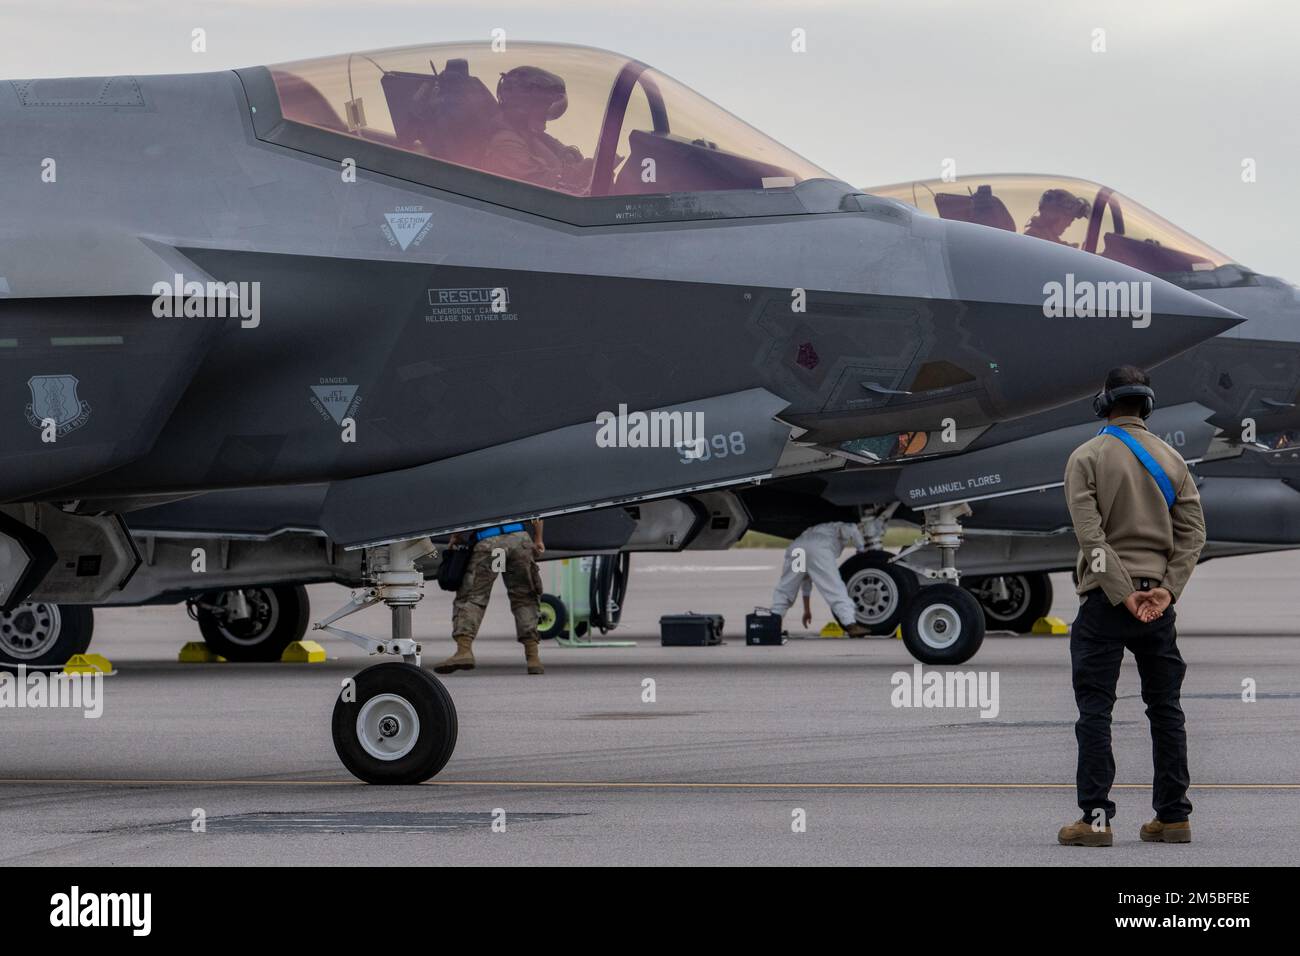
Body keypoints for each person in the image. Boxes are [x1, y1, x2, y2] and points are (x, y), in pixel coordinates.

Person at [1057, 366, 1206, 847]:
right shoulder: (1173, 459)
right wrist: (1165, 589)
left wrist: (1122, 593)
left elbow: (1090, 536)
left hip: (1106, 602)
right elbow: (1193, 534)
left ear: (1104, 404)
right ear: (1147, 405)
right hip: (1158, 607)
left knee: (1096, 712)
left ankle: (1096, 822)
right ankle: (1174, 817)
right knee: (1166, 710)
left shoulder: (1086, 457)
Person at [434, 519, 546, 675]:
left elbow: (466, 512)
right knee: (524, 598)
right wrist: (538, 539)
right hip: (519, 541)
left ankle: (464, 651)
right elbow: (537, 516)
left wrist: (455, 536)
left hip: (491, 543)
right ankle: (533, 658)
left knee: (473, 597)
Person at [480, 65, 593, 194]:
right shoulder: (505, 143)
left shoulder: (533, 135)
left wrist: (572, 157)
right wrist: (588, 168)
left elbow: (565, 153)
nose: (547, 112)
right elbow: (541, 182)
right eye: (544, 105)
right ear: (523, 105)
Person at [770, 522, 871, 636]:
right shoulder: (840, 524)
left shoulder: (813, 528)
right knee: (834, 588)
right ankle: (850, 624)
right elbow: (852, 529)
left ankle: (772, 625)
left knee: (786, 589)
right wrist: (861, 550)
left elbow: (805, 582)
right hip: (819, 548)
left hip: (797, 548)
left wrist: (806, 610)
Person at [1023, 188, 1090, 245]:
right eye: (1067, 219)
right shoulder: (1035, 239)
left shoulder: (1048, 238)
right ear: (1052, 215)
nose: (1069, 224)